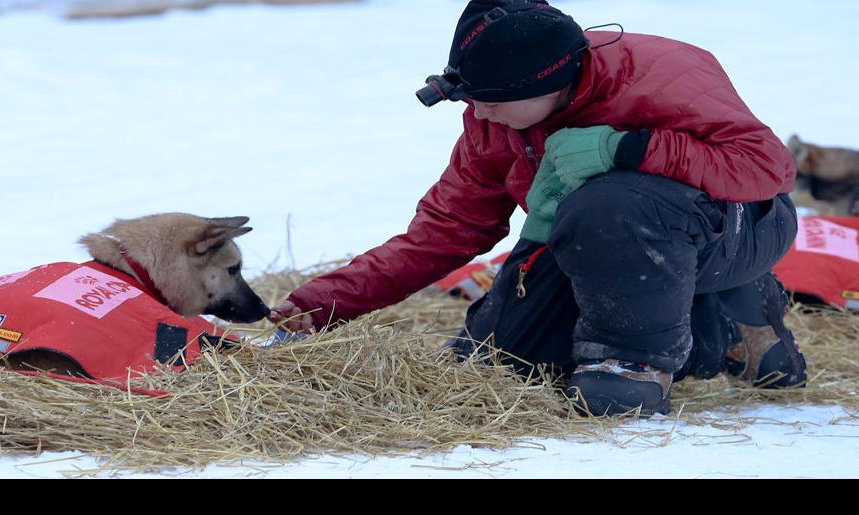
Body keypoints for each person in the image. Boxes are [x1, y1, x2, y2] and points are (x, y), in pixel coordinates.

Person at [268, 0, 806, 416]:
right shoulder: (492, 116)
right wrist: (326, 302)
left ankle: (652, 358)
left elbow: (768, 171)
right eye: (469, 98)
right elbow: (448, 228)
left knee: (609, 203)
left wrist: (628, 148)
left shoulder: (661, 70)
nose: (477, 112)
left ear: (546, 82)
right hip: (603, 241)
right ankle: (701, 317)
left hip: (738, 229)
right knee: (502, 360)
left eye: (489, 100)